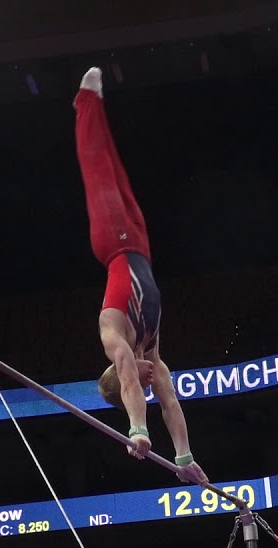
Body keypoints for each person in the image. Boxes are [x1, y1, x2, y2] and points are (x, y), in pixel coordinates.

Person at [74, 66, 208, 485]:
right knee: (117, 166)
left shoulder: (119, 344)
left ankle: (84, 104)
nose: (152, 382)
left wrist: (138, 431)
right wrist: (184, 456)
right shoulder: (153, 351)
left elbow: (133, 382)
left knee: (98, 166)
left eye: (141, 384)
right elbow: (170, 402)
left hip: (112, 244)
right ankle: (100, 107)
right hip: (141, 246)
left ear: (120, 373)